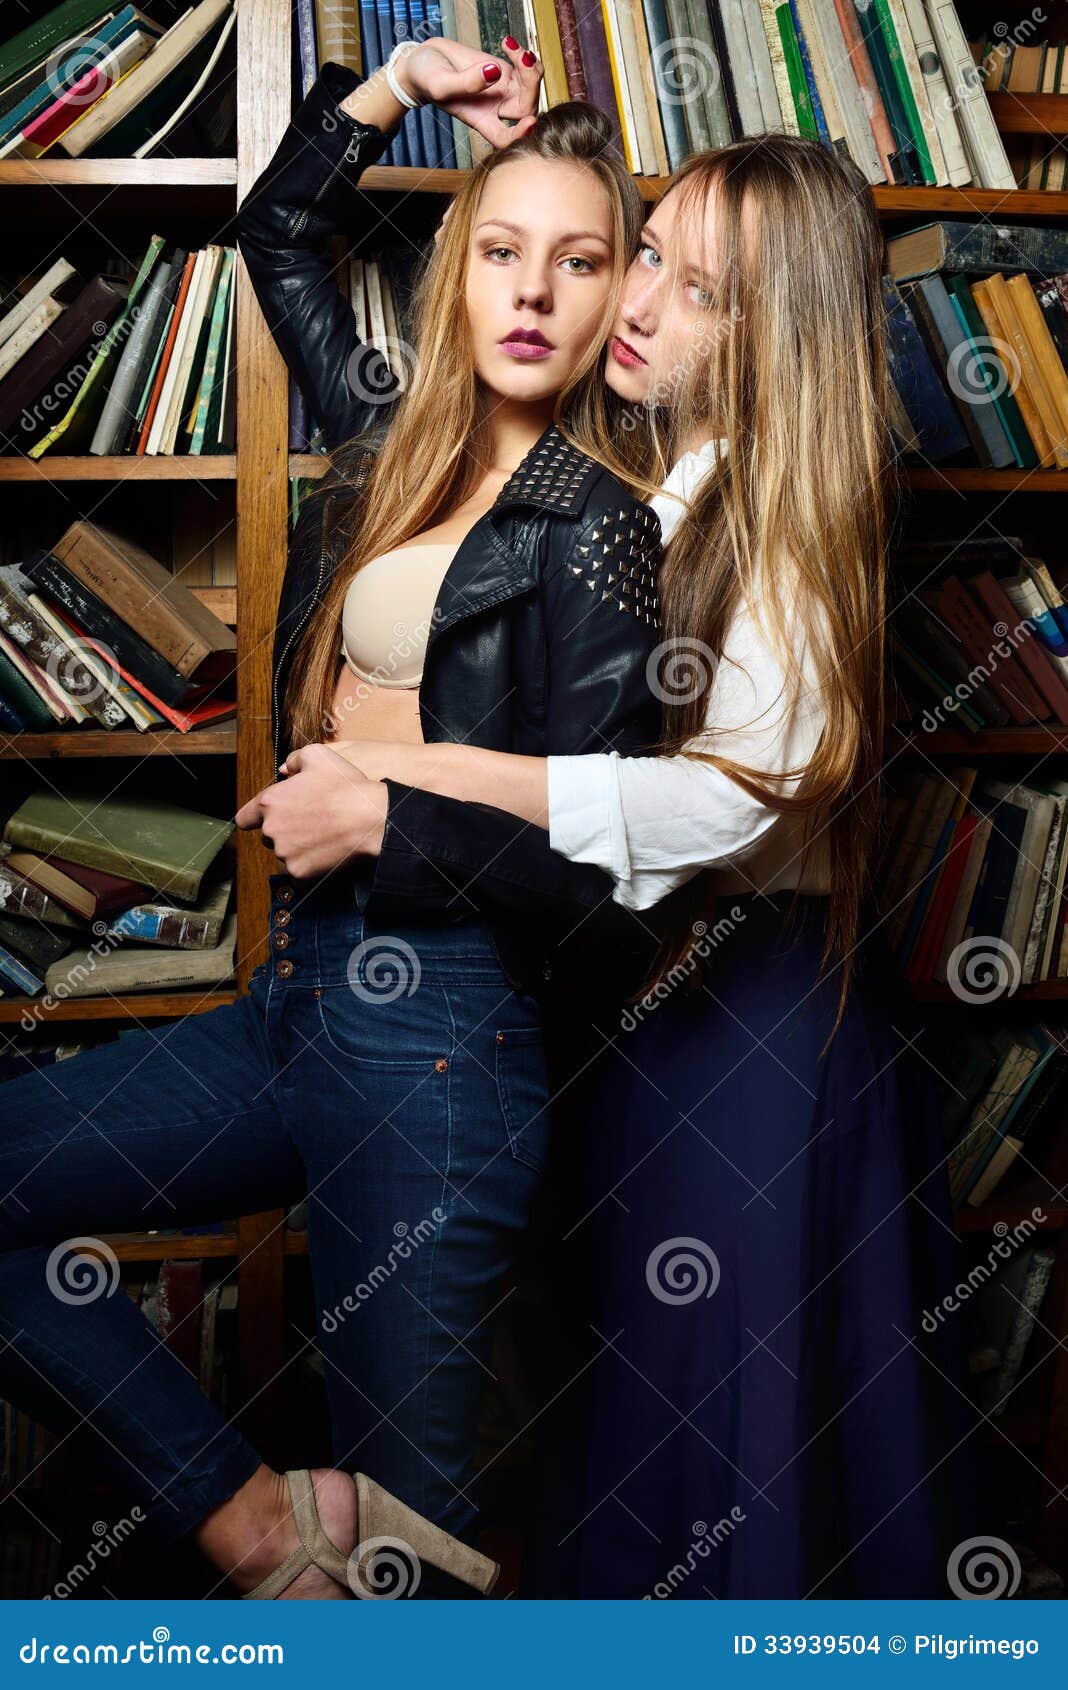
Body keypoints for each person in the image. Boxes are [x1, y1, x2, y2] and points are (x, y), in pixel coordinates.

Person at [264, 121, 976, 1598]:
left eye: (696, 288)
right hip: (640, 1015)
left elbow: (740, 797)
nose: (637, 306)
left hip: (761, 1032)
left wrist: (427, 772)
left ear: (773, 330)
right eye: (643, 254)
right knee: (631, 1406)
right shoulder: (643, 490)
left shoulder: (786, 519)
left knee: (732, 1431)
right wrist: (488, 153)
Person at [0, 45, 667, 1600]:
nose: (532, 292)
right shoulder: (386, 438)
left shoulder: (603, 531)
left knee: (411, 1550)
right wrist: (391, 88)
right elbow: (279, 229)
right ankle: (246, 1521)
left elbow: (611, 872)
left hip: (446, 1045)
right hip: (295, 993)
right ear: (454, 270)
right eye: (501, 250)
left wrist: (390, 818)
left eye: (579, 262)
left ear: (613, 296)